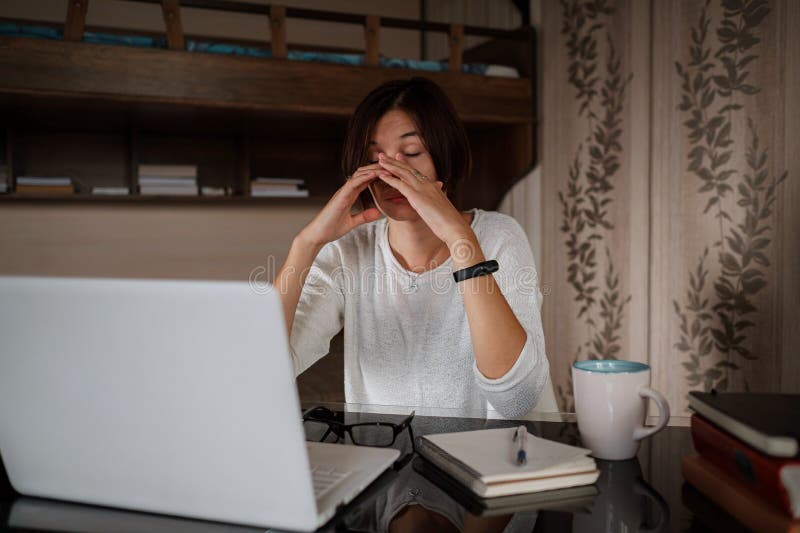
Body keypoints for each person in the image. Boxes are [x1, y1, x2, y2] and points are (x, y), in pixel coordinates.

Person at [276, 77, 549, 418]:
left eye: (412, 152)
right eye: (374, 157)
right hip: (383, 461)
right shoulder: (349, 251)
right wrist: (305, 244)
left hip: (481, 466)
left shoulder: (499, 237)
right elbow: (263, 372)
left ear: (443, 153)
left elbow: (517, 400)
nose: (391, 172)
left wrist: (460, 238)